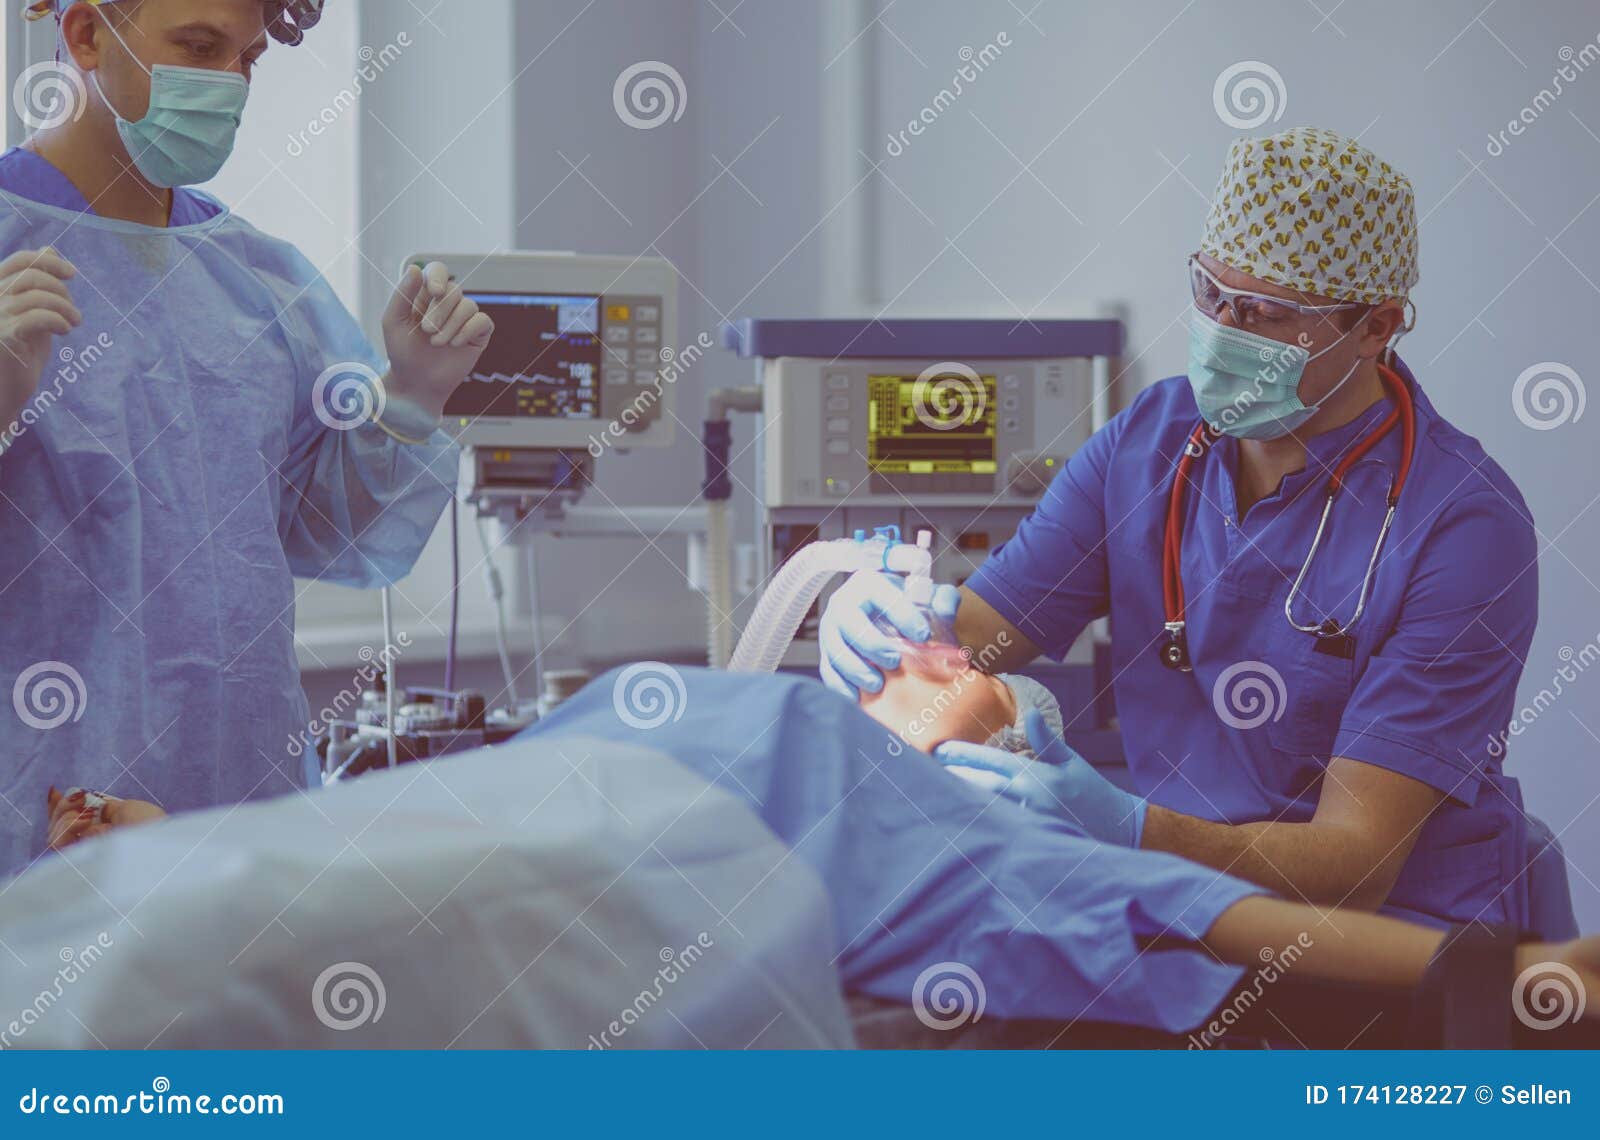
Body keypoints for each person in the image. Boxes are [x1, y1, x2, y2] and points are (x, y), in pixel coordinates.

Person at [821, 126, 1576, 939]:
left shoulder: (1462, 527)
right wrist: (885, 627)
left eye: (1266, 314)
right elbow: (977, 637)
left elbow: (1356, 863)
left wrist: (1131, 829)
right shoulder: (1148, 444)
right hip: (1184, 910)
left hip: (1399, 939)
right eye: (1211, 292)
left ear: (1376, 327)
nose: (1222, 329)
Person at [0, 0, 493, 877]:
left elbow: (324, 529)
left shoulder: (255, 277)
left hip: (239, 790)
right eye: (198, 47)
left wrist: (414, 394)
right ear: (85, 36)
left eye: (248, 58)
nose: (227, 83)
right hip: (39, 793)